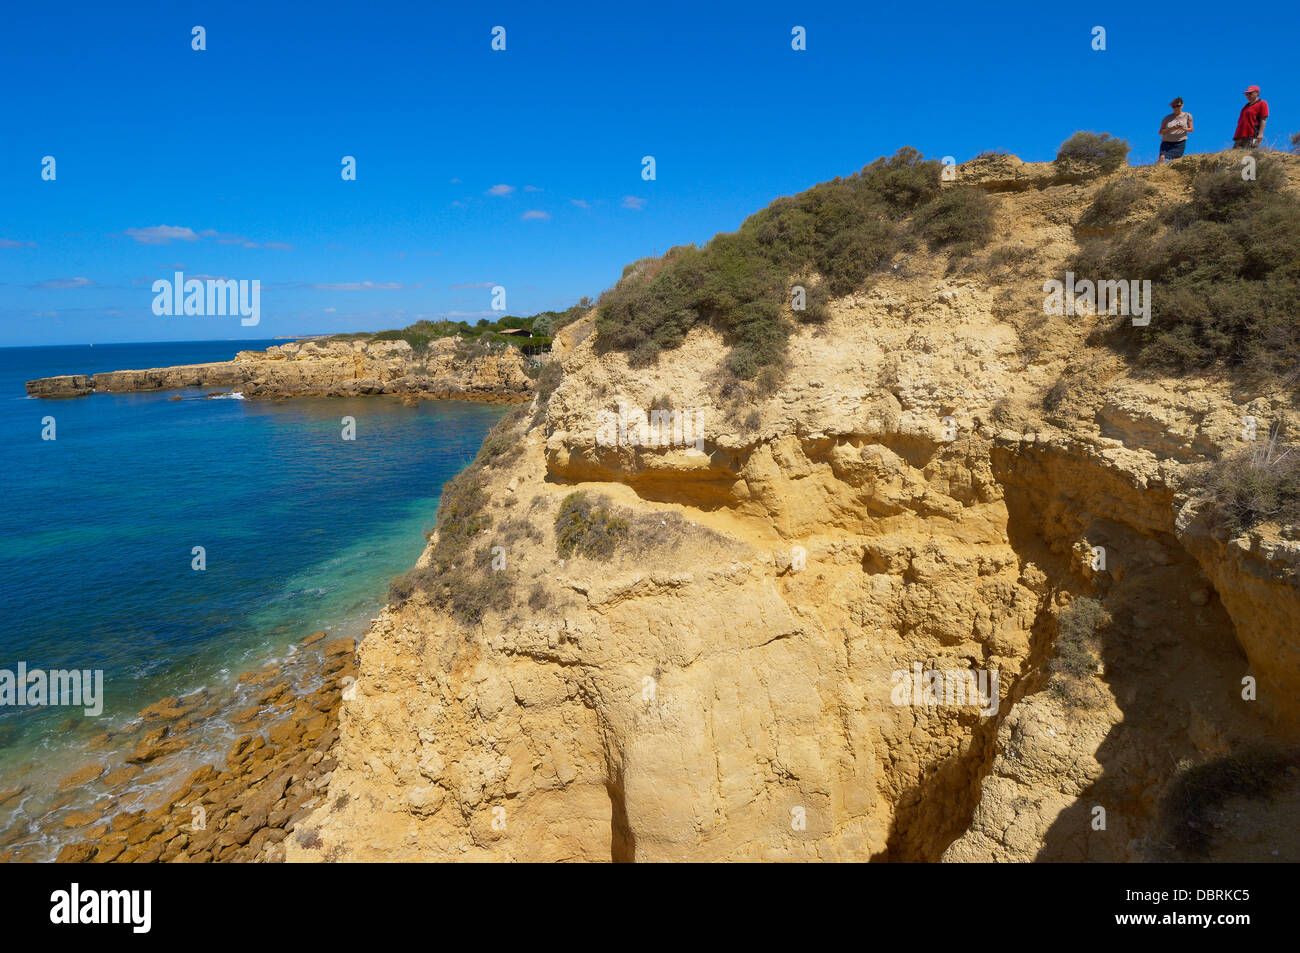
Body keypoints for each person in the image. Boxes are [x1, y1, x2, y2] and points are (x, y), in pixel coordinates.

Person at [1157, 97, 1193, 162]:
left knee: (1175, 161)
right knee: (1162, 157)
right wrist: (1171, 128)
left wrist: (1184, 128)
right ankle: (1155, 170)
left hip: (1180, 142)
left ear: (1182, 105)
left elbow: (1191, 129)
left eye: (1178, 106)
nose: (1176, 108)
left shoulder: (1187, 115)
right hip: (1166, 143)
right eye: (1174, 106)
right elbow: (1160, 132)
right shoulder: (1166, 118)